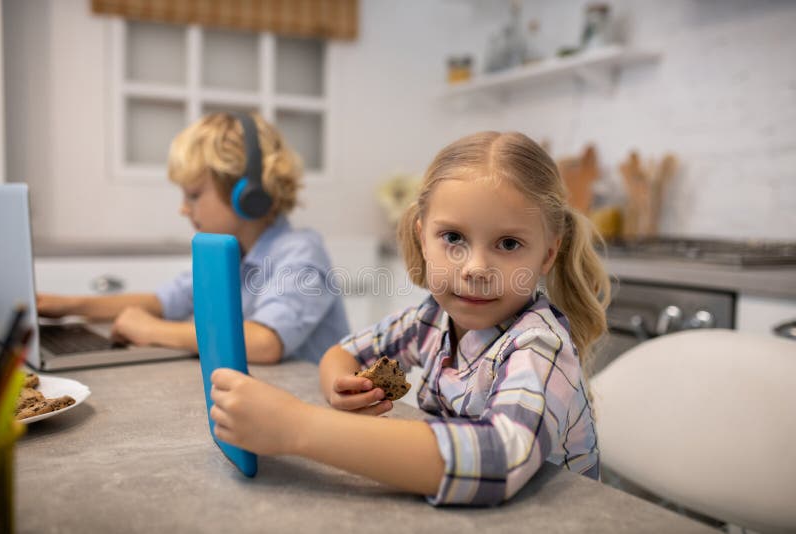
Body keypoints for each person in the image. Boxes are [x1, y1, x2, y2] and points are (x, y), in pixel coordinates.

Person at [208, 131, 610, 505]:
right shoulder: (430, 319)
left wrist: (298, 427)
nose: (475, 267)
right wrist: (341, 388)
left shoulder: (539, 344)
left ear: (547, 254)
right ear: (423, 237)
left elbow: (498, 459)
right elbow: (344, 353)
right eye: (453, 238)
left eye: (508, 243)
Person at [37, 112, 349, 364]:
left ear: (247, 194)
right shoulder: (230, 253)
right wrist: (66, 305)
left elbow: (264, 342)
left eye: (194, 195)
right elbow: (163, 301)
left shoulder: (301, 252)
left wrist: (153, 330)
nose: (184, 208)